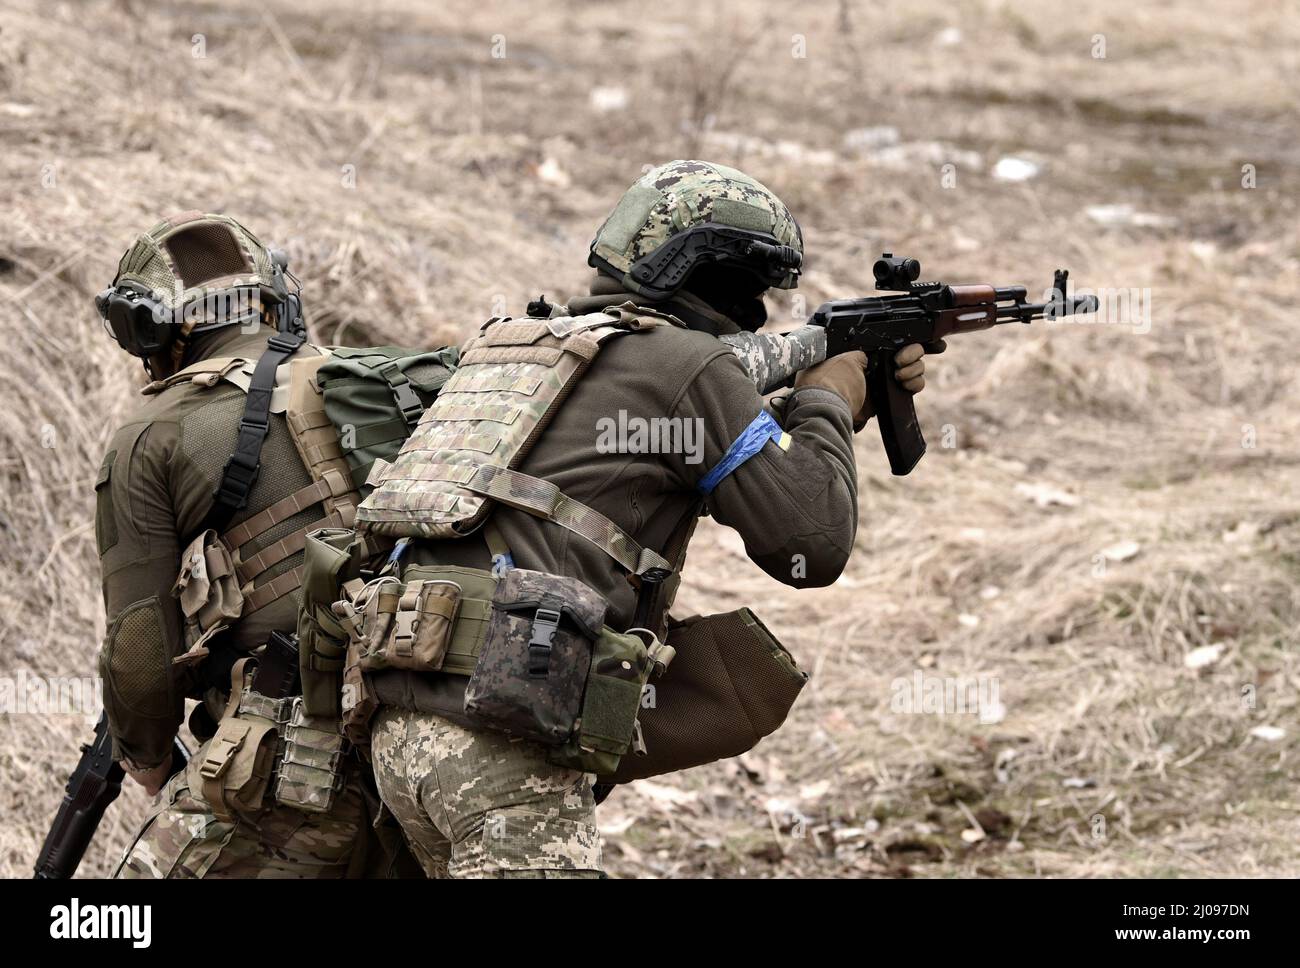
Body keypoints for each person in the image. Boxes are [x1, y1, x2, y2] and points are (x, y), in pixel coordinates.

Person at [357, 160, 932, 878]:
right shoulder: (684, 363)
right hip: (502, 743)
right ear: (717, 277)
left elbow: (656, 461)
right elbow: (810, 545)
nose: (756, 313)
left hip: (400, 720)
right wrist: (826, 403)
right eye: (753, 291)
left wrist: (807, 412)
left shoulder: (527, 344)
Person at [94, 211, 395, 877]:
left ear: (149, 326)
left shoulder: (152, 436)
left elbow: (140, 645)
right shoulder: (371, 380)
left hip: (289, 759)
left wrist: (145, 759)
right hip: (429, 732)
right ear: (275, 297)